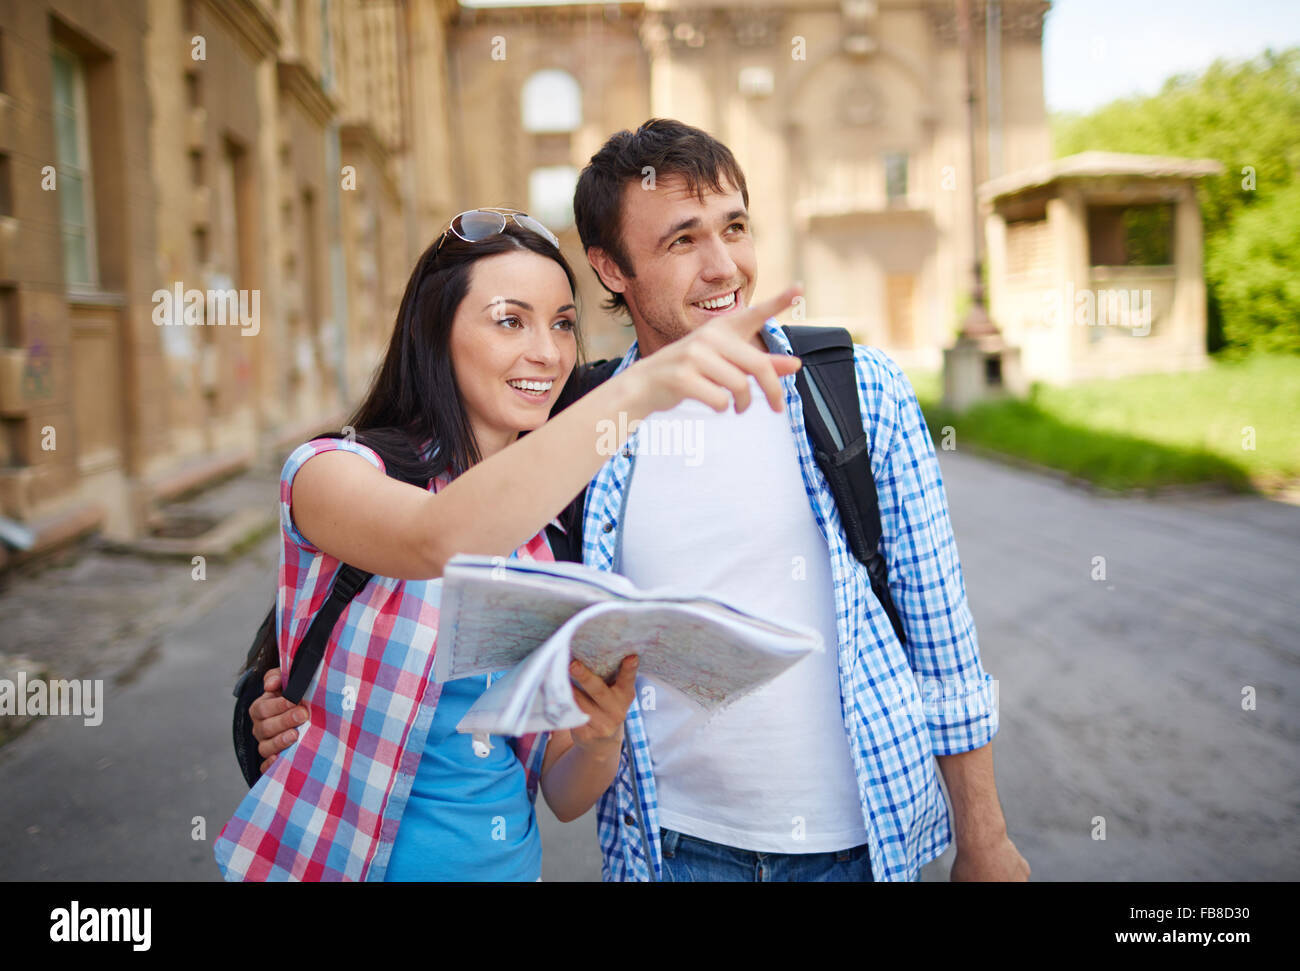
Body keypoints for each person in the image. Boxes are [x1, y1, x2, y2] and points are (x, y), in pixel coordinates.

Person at [254, 119, 1030, 883]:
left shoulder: (853, 392)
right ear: (611, 267)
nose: (723, 265)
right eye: (682, 240)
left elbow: (942, 635)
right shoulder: (554, 444)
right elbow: (428, 540)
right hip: (669, 850)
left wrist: (984, 838)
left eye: (735, 227)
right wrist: (287, 707)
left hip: (858, 844)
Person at [214, 205, 803, 881]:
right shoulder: (330, 472)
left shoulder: (544, 543)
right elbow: (436, 537)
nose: (548, 353)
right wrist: (642, 388)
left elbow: (561, 790)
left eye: (561, 324)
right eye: (509, 320)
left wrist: (600, 732)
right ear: (437, 335)